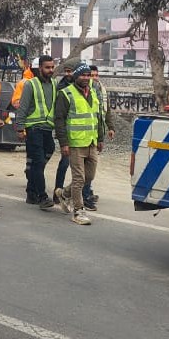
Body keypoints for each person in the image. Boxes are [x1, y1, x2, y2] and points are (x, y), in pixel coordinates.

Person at [54, 63, 105, 226]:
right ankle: (78, 211)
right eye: (83, 75)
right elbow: (59, 120)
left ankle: (64, 193)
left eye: (88, 75)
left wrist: (100, 138)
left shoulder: (94, 93)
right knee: (79, 179)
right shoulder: (66, 94)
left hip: (91, 142)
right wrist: (64, 143)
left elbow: (98, 117)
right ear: (75, 76)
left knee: (89, 177)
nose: (86, 78)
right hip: (75, 143)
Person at [15, 55, 57, 209]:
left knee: (41, 159)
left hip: (47, 129)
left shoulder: (54, 84)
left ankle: (31, 191)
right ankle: (42, 196)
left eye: (52, 67)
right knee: (38, 162)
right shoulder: (30, 85)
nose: (50, 70)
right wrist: (20, 128)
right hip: (33, 129)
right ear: (40, 68)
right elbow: (23, 108)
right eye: (47, 67)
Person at [84, 66, 116, 210]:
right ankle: (83, 195)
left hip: (97, 132)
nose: (95, 78)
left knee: (90, 166)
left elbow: (105, 111)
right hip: (85, 134)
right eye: (92, 75)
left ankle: (86, 191)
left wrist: (110, 127)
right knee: (85, 167)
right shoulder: (86, 91)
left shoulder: (101, 90)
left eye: (96, 75)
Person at [53, 62, 75, 204]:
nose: (68, 74)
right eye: (66, 71)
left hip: (82, 135)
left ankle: (78, 194)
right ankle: (58, 191)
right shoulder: (62, 88)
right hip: (67, 133)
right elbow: (60, 116)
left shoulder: (86, 88)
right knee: (65, 163)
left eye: (70, 71)